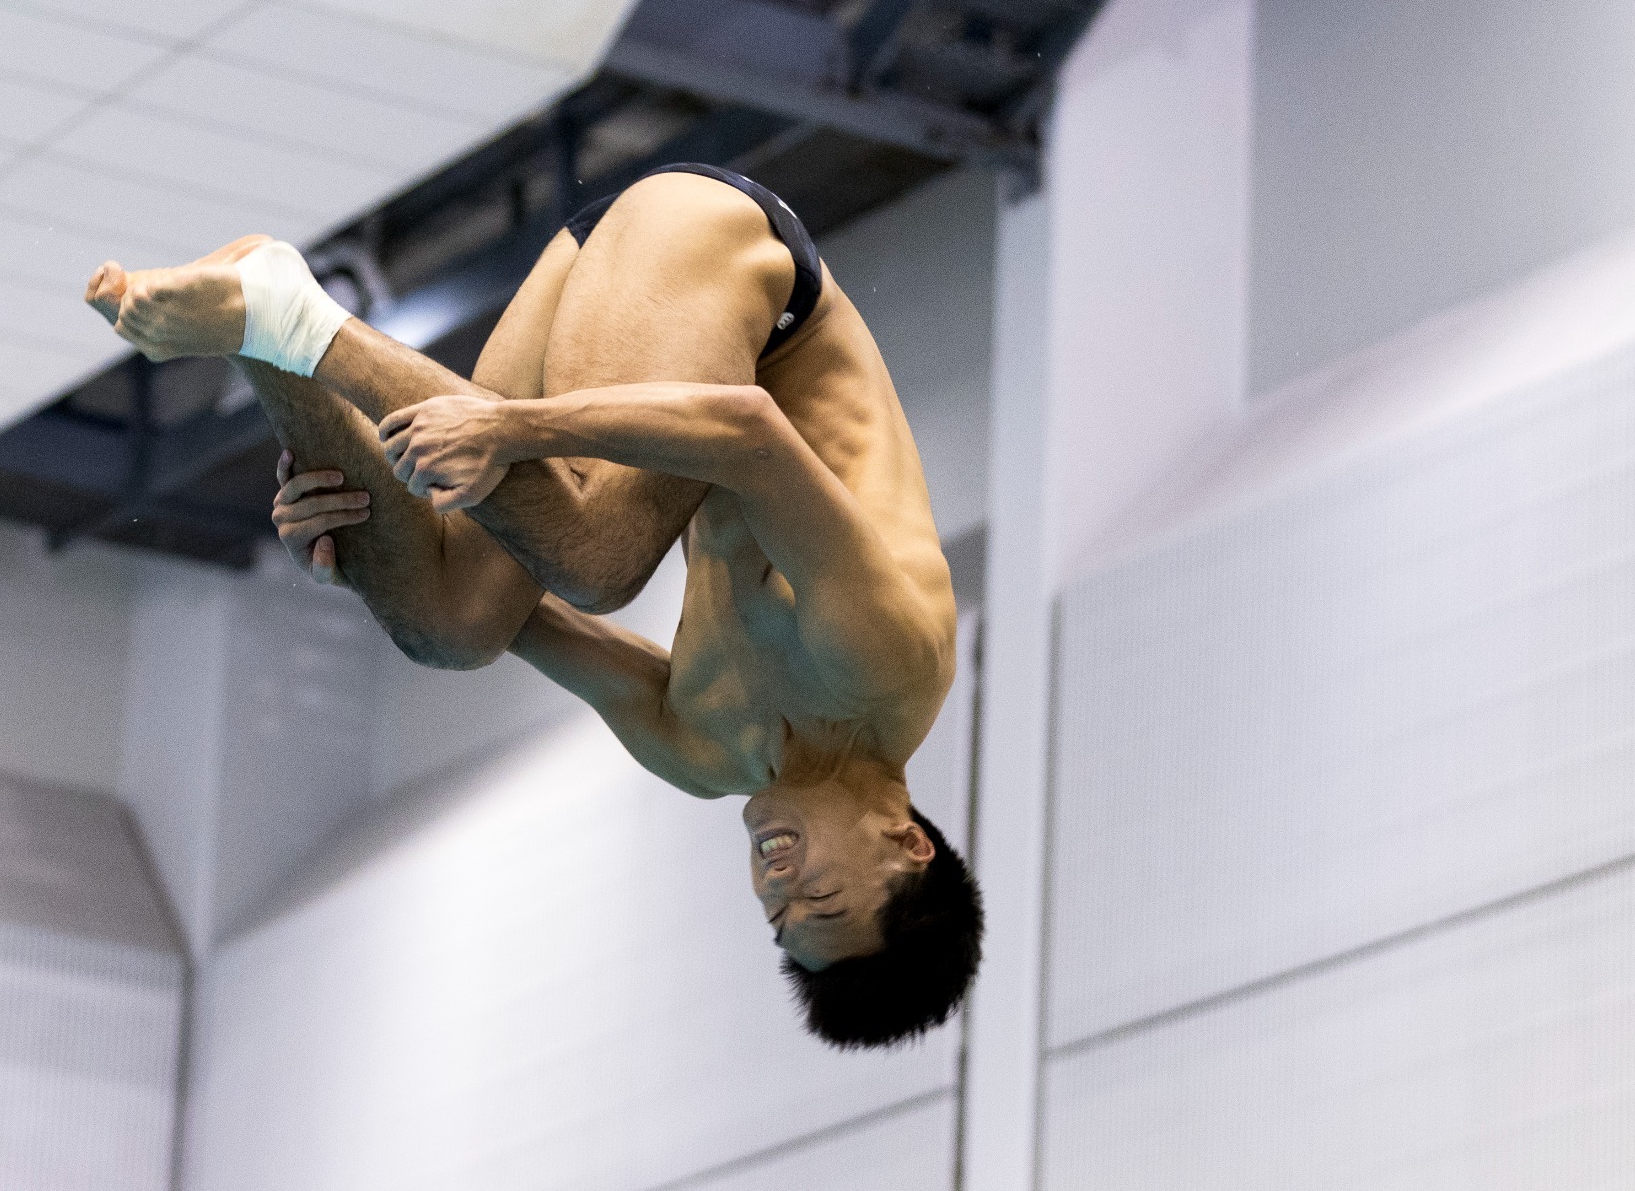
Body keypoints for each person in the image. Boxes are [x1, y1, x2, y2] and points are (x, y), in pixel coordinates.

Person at [84, 164, 982, 1048]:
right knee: (600, 561)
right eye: (819, 895)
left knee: (447, 625)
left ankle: (263, 330)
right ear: (908, 844)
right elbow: (750, 435)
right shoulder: (885, 663)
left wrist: (360, 561)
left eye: (779, 915)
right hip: (717, 248)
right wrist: (517, 428)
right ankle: (294, 318)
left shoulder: (705, 750)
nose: (775, 882)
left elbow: (511, 618)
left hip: (610, 306)